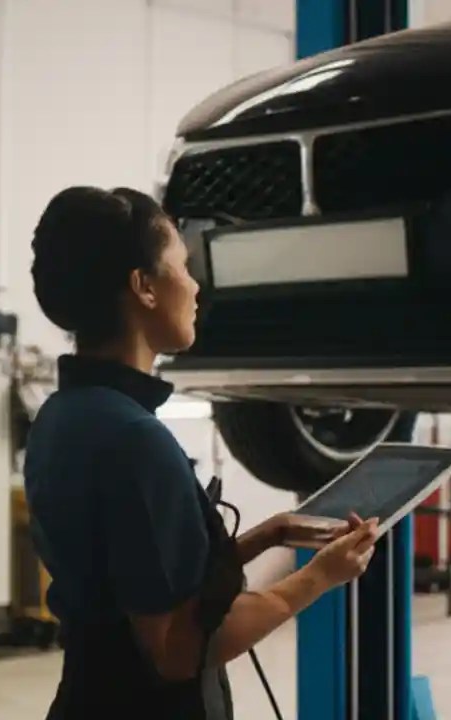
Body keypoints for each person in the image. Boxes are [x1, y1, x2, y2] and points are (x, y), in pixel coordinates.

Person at [23, 186, 379, 719]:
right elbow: (176, 648)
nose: (194, 288)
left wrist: (266, 536)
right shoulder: (133, 438)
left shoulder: (64, 416)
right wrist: (317, 577)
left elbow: (140, 581)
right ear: (144, 286)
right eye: (183, 267)